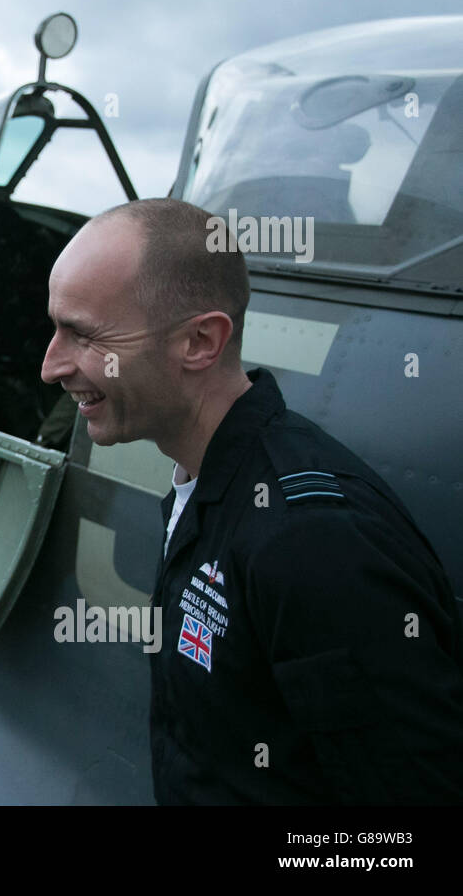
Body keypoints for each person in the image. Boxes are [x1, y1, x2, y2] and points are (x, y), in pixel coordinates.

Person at [40, 197, 463, 804]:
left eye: (83, 334)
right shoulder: (210, 484)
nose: (51, 366)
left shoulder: (311, 542)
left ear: (200, 342)